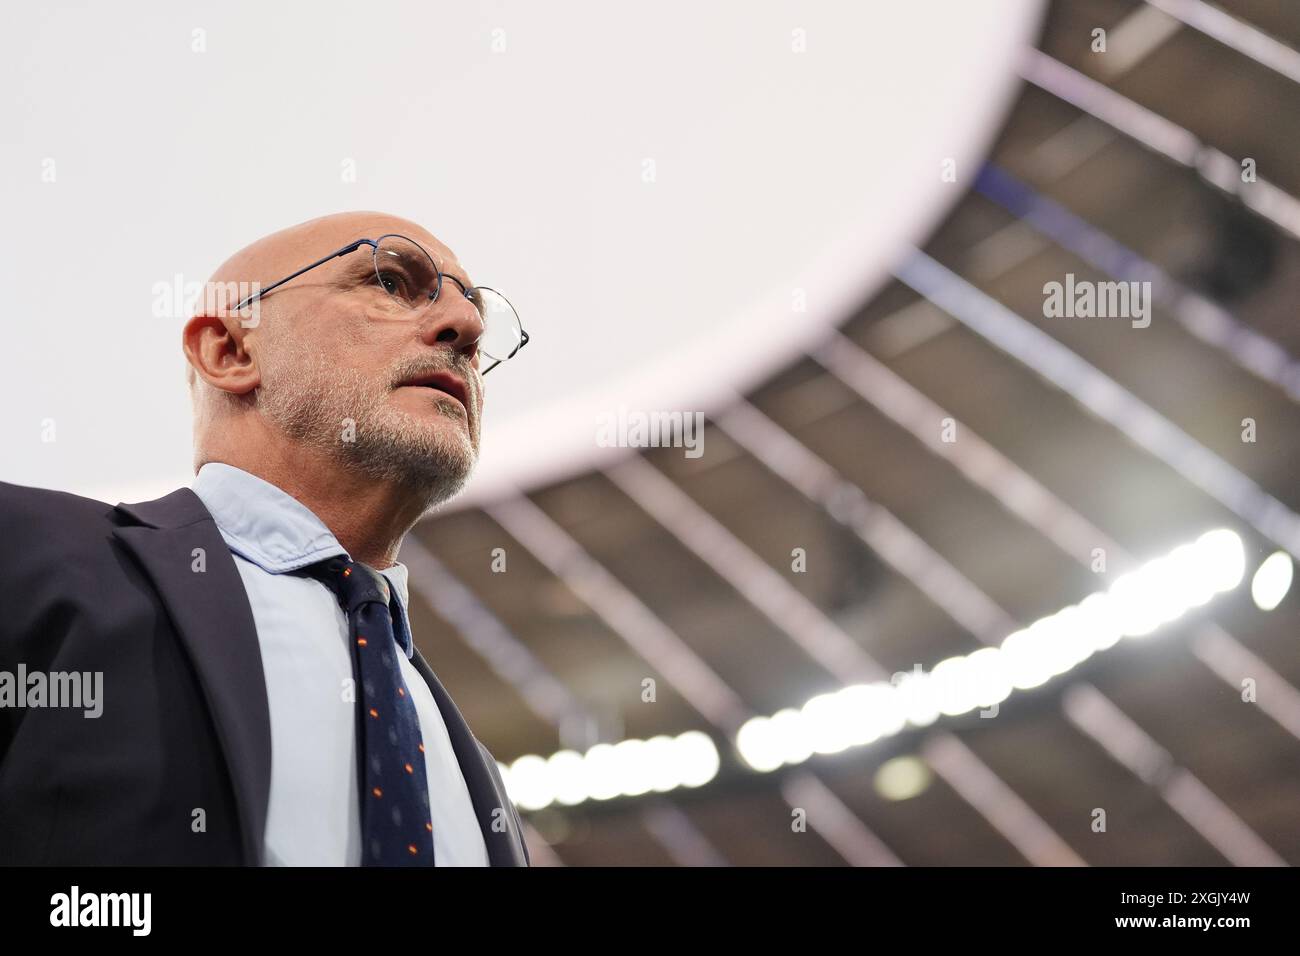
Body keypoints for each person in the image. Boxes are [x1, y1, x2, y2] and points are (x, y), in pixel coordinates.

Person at [0, 211, 531, 866]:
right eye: (391, 280)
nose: (468, 330)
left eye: (476, 310)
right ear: (229, 350)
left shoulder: (481, 780)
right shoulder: (21, 555)